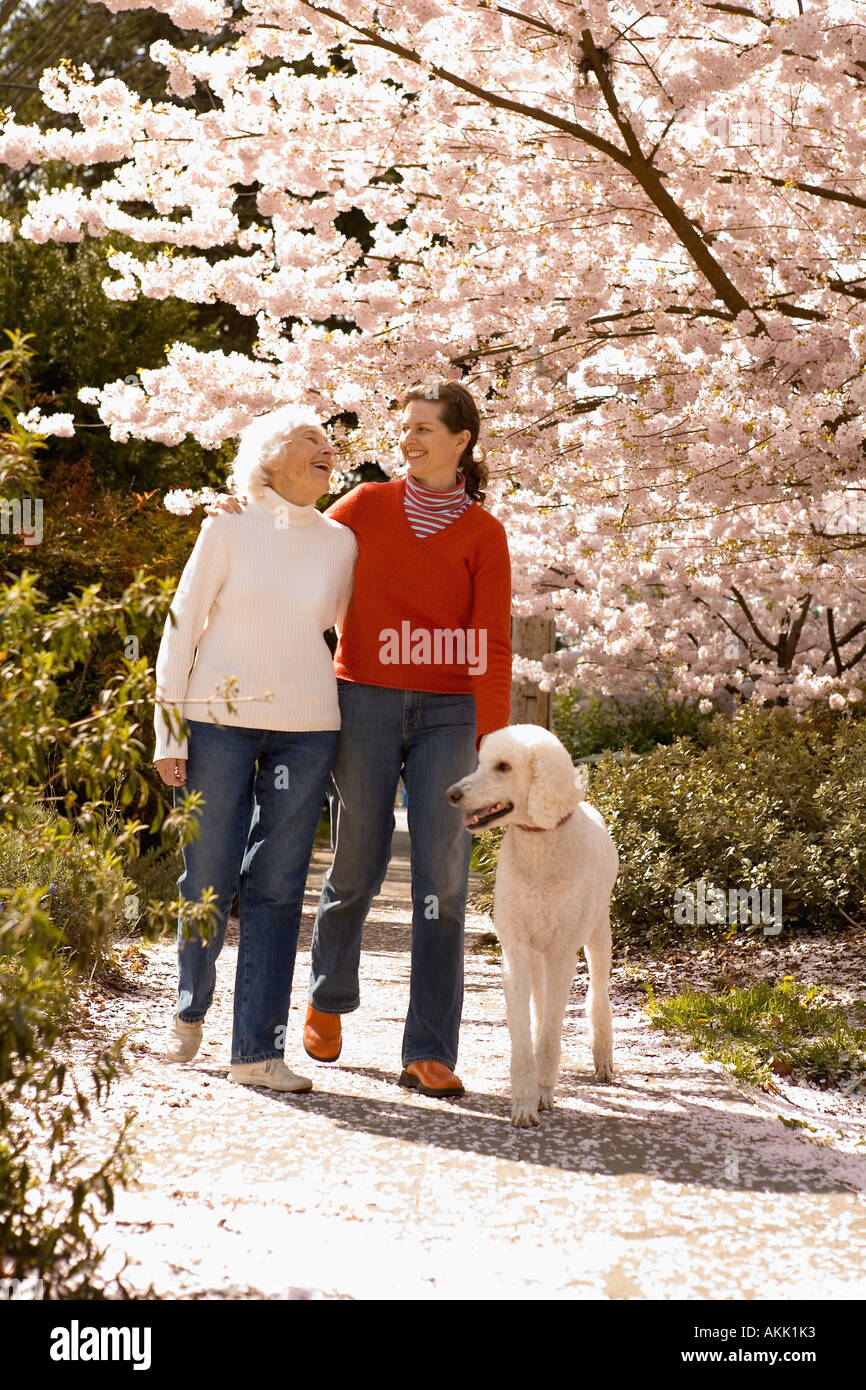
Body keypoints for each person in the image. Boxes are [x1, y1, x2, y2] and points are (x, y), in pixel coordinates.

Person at [153, 405, 357, 1093]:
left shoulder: (341, 543)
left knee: (275, 890)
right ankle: (189, 1006)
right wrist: (167, 729)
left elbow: (351, 637)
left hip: (307, 727)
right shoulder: (228, 523)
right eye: (311, 440)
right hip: (217, 718)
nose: (327, 450)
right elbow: (180, 626)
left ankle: (256, 1052)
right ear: (270, 456)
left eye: (331, 444)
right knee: (207, 872)